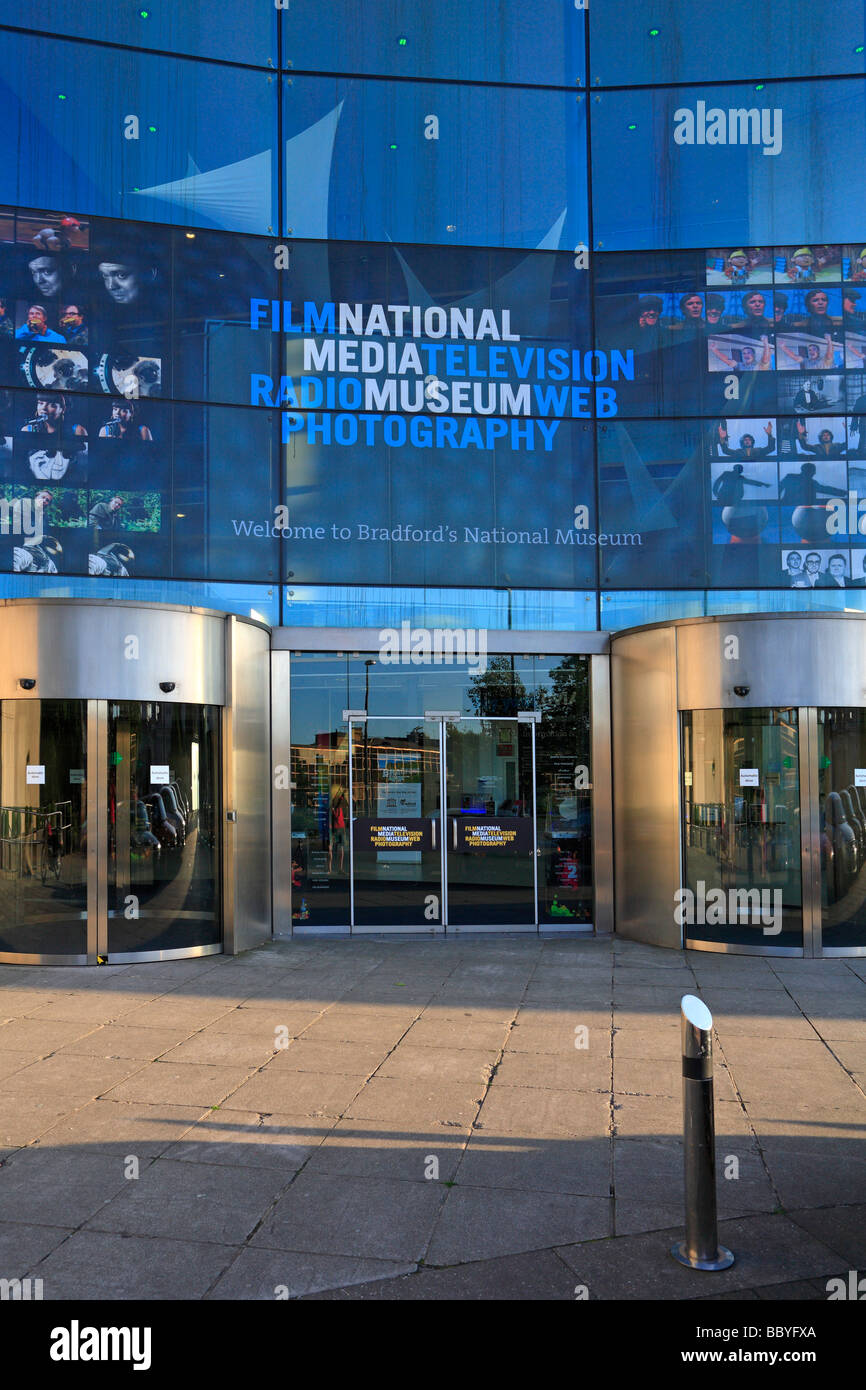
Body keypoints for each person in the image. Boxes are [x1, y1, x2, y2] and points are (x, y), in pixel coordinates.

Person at [20, 392, 87, 437]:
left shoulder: (78, 431)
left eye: (52, 405)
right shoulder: (28, 430)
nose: (43, 408)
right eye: (40, 403)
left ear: (63, 409)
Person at [779, 462, 848, 504]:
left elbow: (779, 487)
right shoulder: (811, 482)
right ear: (811, 472)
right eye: (813, 471)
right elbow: (826, 489)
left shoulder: (790, 477)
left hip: (787, 506)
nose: (814, 473)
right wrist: (844, 493)